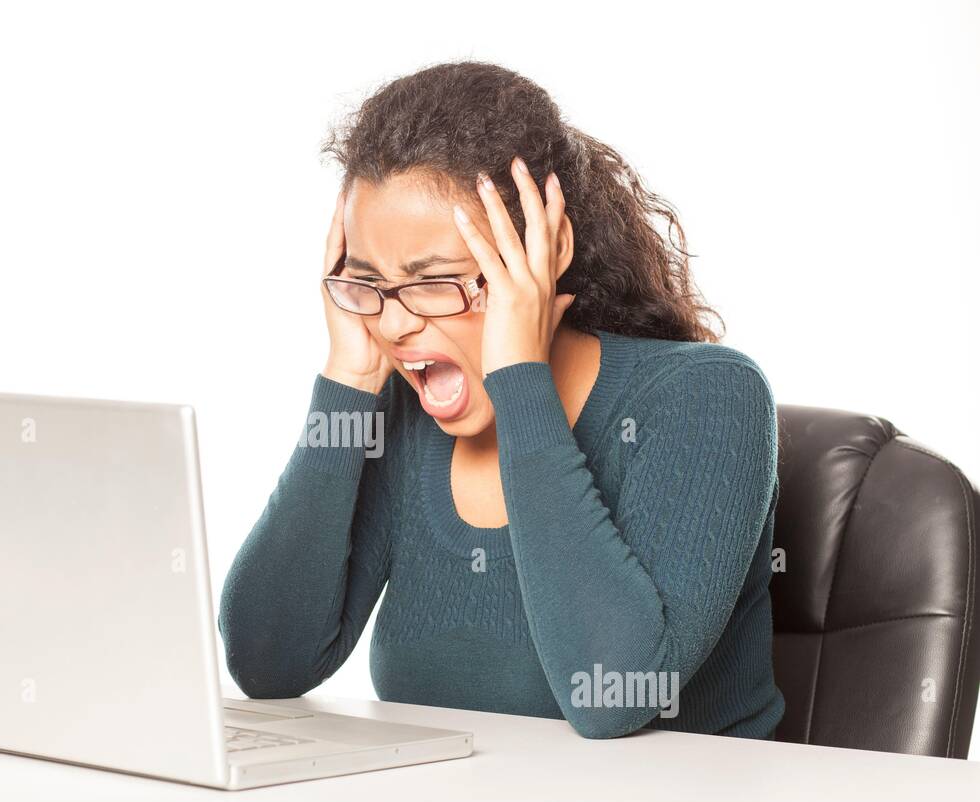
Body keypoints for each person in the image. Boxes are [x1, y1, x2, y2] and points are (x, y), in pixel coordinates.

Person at [218, 61, 784, 740]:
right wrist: (349, 379)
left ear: (546, 256)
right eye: (369, 283)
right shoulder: (399, 417)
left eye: (437, 282)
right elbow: (266, 663)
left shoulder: (709, 397)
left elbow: (610, 695)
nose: (395, 325)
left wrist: (519, 376)